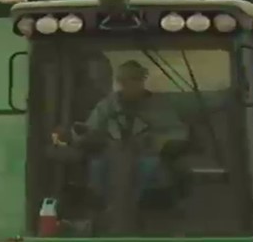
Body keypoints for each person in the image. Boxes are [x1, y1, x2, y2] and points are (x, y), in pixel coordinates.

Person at [61, 59, 189, 201]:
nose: (132, 85)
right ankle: (105, 206)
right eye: (126, 81)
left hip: (147, 155)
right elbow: (91, 130)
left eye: (136, 80)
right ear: (120, 82)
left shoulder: (158, 106)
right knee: (97, 165)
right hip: (112, 157)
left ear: (142, 81)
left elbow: (178, 132)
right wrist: (82, 134)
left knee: (151, 166)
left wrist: (155, 141)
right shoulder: (107, 106)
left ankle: (140, 202)